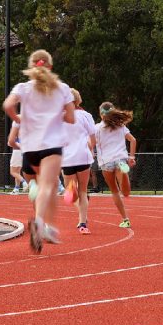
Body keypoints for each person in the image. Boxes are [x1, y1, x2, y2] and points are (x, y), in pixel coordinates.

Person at [3, 50, 75, 253]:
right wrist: (56, 116)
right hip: (51, 145)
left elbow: (8, 105)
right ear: (50, 66)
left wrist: (18, 119)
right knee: (47, 186)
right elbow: (71, 118)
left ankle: (48, 228)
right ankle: (40, 222)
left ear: (32, 65)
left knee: (43, 187)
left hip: (30, 146)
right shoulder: (62, 88)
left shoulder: (23, 87)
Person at [95, 102, 135, 228]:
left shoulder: (97, 128)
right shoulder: (121, 126)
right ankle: (123, 170)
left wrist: (91, 154)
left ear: (101, 115)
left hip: (106, 162)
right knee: (127, 193)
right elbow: (133, 140)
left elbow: (91, 143)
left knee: (114, 191)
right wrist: (132, 157)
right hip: (120, 159)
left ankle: (125, 219)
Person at [62, 89, 96, 234]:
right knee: (83, 191)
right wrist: (90, 149)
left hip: (67, 158)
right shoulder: (86, 115)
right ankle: (83, 223)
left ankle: (82, 219)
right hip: (83, 156)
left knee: (70, 190)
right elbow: (93, 138)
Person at [6, 123, 28, 194]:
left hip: (16, 152)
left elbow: (9, 143)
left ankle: (24, 182)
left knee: (13, 172)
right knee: (17, 172)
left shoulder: (16, 130)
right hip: (22, 153)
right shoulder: (24, 131)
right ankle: (16, 189)